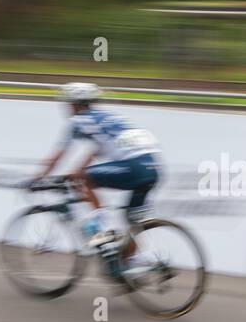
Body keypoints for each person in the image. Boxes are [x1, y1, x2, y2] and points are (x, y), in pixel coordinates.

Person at [34, 82, 162, 251]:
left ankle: (106, 227)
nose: (66, 108)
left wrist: (38, 177)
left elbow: (58, 156)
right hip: (153, 168)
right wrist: (77, 171)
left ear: (75, 104)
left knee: (84, 180)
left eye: (67, 103)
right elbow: (97, 151)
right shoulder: (108, 118)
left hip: (133, 166)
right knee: (132, 224)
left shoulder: (80, 120)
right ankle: (137, 263)